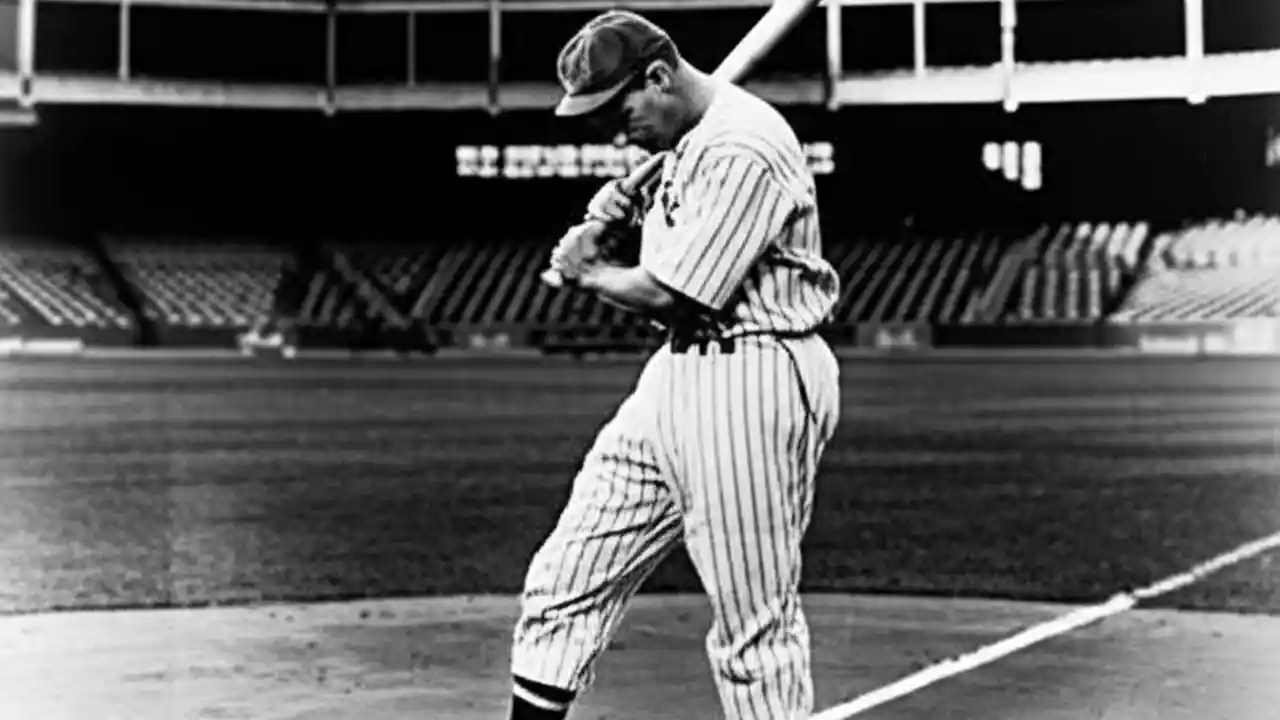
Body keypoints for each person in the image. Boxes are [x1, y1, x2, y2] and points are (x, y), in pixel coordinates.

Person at [508, 10, 842, 720]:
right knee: (563, 579)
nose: (610, 131)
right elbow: (663, 201)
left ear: (658, 76)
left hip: (753, 373)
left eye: (616, 110)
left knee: (753, 624)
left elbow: (673, 292)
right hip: (676, 378)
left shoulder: (745, 144)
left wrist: (590, 271)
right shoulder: (688, 137)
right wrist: (615, 208)